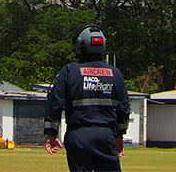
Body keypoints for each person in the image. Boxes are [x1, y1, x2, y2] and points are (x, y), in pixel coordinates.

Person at [43, 24, 129, 172]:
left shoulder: (69, 71)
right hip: (105, 135)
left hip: (78, 136)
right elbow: (124, 109)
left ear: (79, 45)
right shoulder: (116, 74)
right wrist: (119, 136)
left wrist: (51, 133)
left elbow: (55, 103)